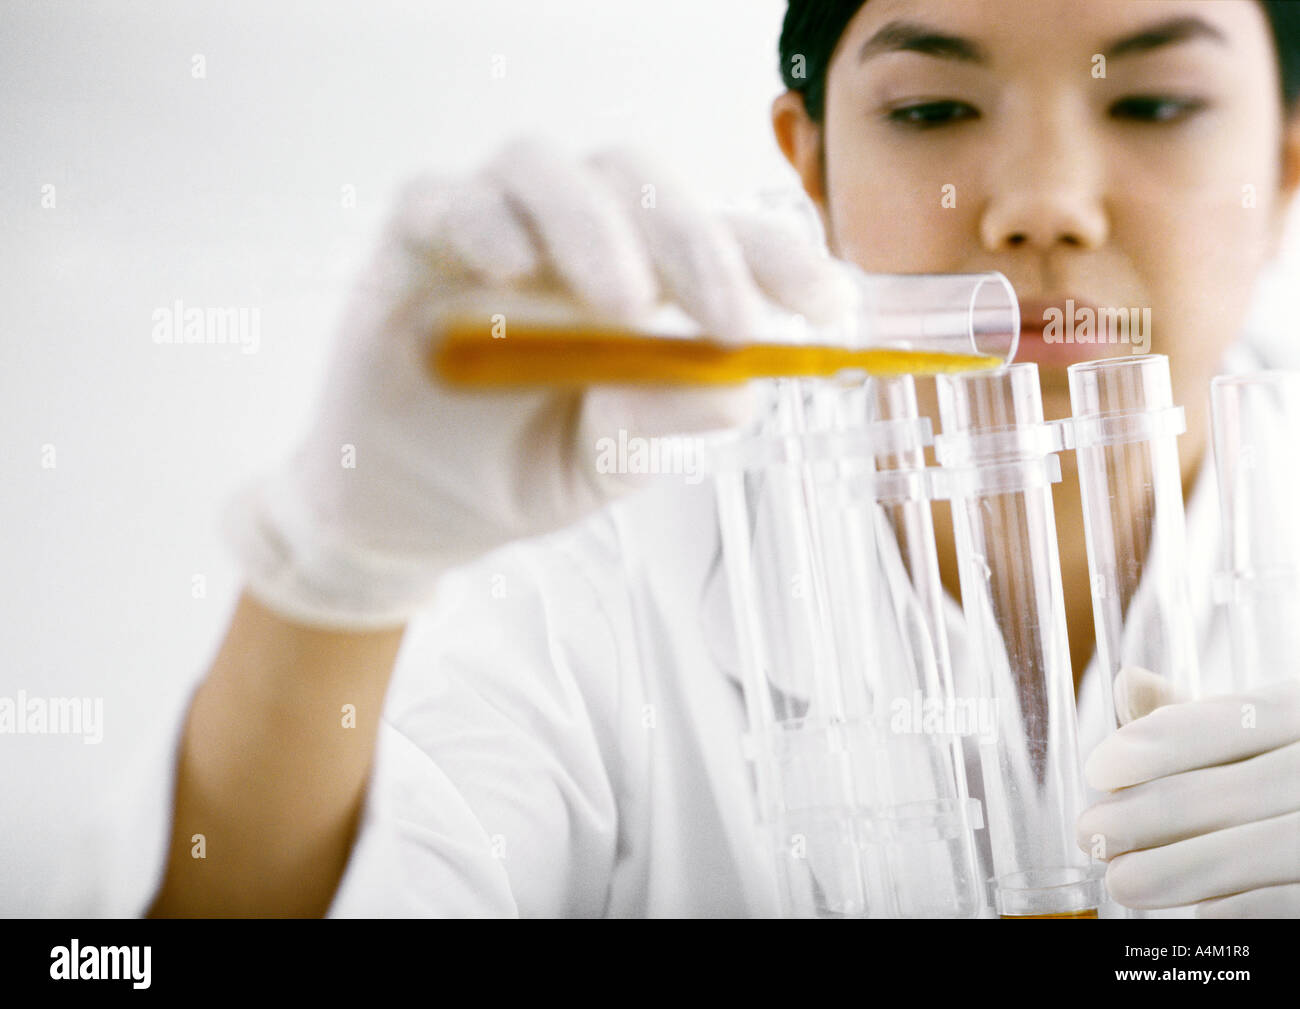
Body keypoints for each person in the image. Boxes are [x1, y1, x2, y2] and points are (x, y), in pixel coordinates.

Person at [53, 0, 1300, 917]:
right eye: (929, 108)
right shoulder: (598, 546)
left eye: (1152, 103)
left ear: (1286, 163)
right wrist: (340, 569)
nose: (1040, 202)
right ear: (808, 165)